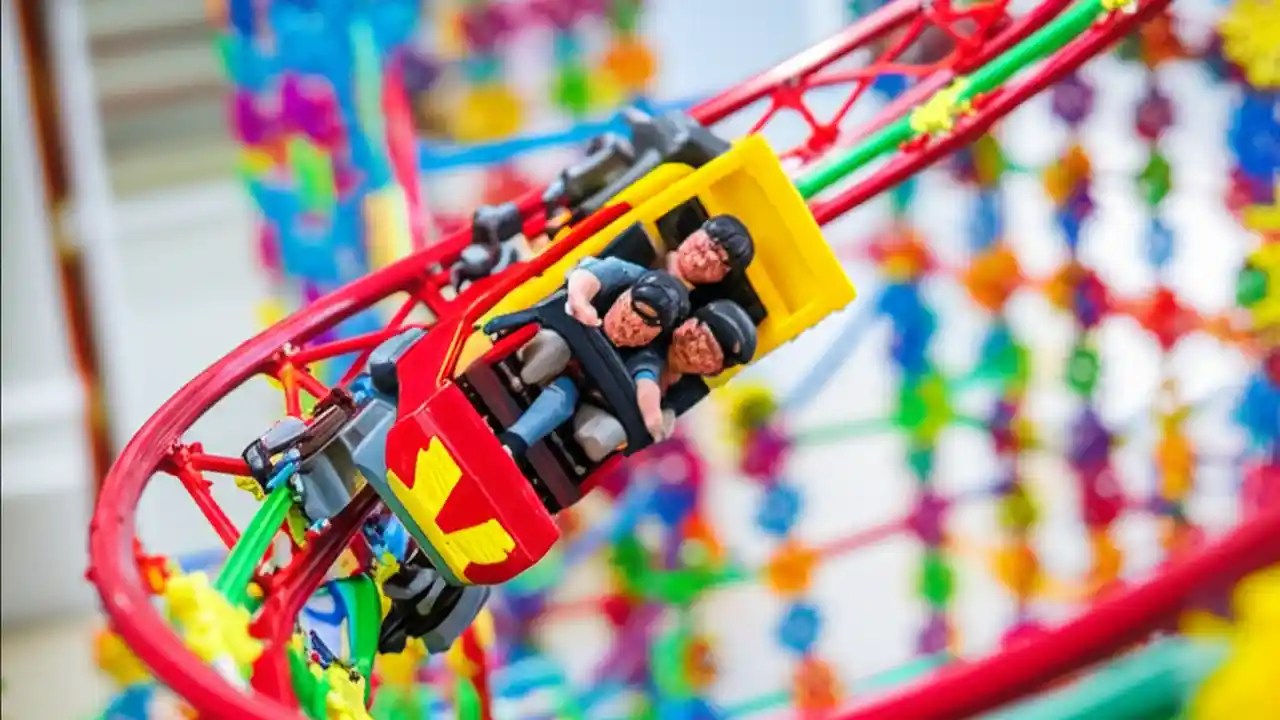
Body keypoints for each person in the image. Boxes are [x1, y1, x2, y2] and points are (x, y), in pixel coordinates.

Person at [488, 270, 691, 458]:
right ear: (622, 298)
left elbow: (646, 380)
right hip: (538, 357)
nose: (626, 331)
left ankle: (511, 444)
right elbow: (584, 277)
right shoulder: (605, 290)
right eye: (625, 317)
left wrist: (653, 417)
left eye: (638, 331)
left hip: (579, 397)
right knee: (551, 350)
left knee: (565, 400)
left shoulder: (647, 356)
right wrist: (580, 302)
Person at [572, 299, 758, 460]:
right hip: (589, 395)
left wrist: (664, 423)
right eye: (693, 338)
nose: (691, 353)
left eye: (706, 356)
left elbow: (672, 412)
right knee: (601, 435)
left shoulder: (691, 390)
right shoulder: (652, 342)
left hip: (619, 431)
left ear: (715, 370)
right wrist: (654, 419)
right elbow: (645, 377)